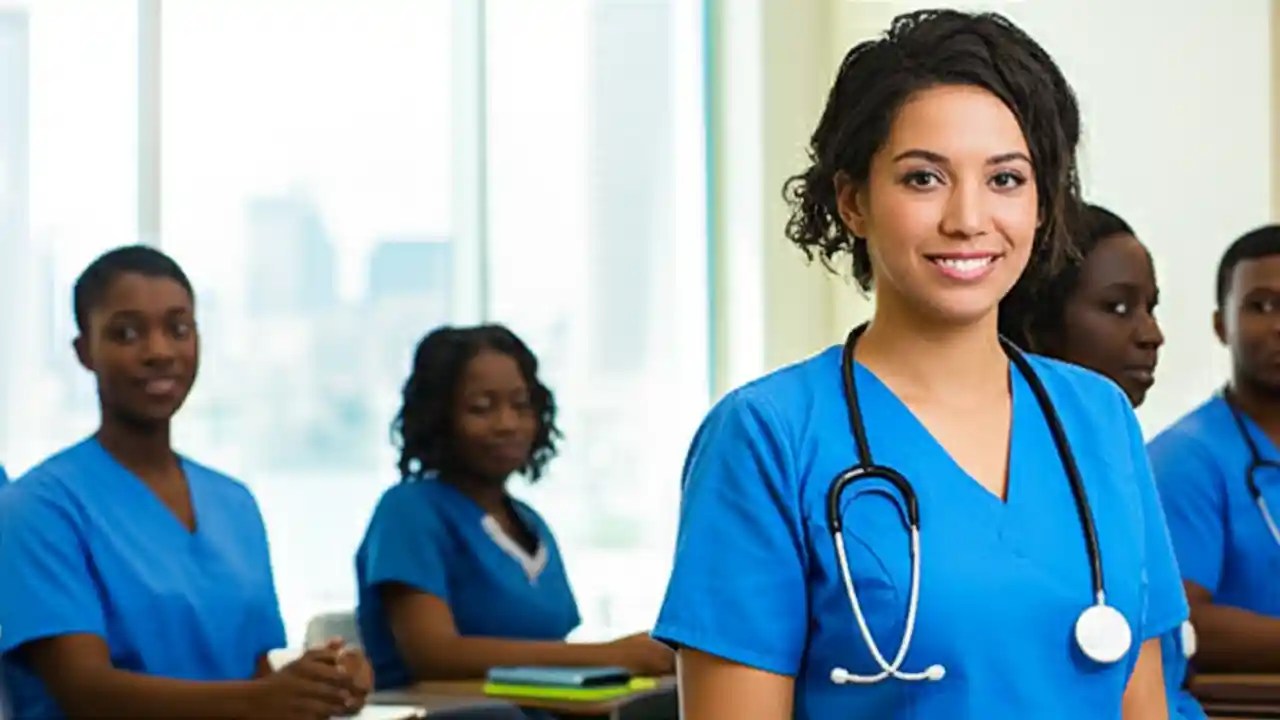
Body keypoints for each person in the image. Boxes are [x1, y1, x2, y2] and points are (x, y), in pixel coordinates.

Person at [653, 10, 1186, 719]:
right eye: (924, 178)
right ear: (853, 201)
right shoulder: (768, 436)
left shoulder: (1098, 418)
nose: (968, 219)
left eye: (1005, 179)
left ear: (1041, 203)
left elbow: (1141, 702)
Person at [0, 245, 373, 719]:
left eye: (178, 329)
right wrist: (265, 699)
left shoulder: (233, 504)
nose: (159, 352)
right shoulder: (38, 508)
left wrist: (323, 682)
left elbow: (255, 678)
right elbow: (85, 691)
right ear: (84, 351)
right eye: (127, 333)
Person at [354, 325, 674, 689]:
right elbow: (433, 654)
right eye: (481, 408)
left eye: (521, 406)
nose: (507, 424)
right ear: (438, 418)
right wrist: (609, 655)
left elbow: (554, 650)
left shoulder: (531, 524)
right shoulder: (407, 511)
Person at [1004, 208, 1204, 719]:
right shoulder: (998, 468)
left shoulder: (1113, 450)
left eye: (1150, 308)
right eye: (1117, 307)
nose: (1151, 334)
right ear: (1038, 321)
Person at [1149, 225, 1280, 677]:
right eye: (1261, 306)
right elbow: (1183, 623)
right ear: (1221, 325)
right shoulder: (1184, 458)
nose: (1279, 325)